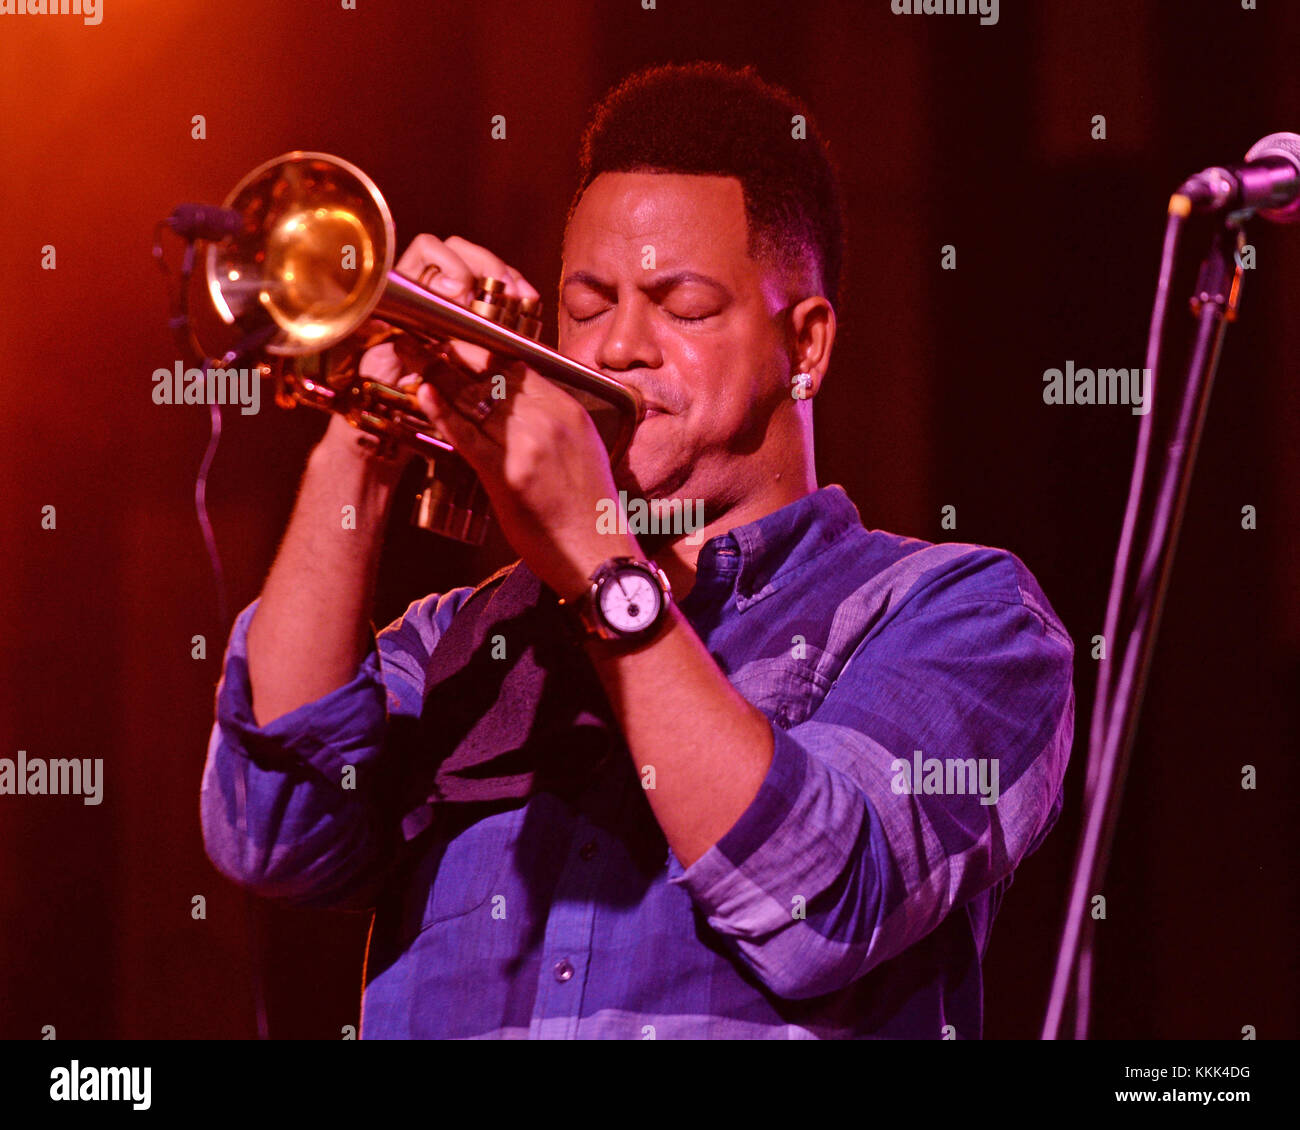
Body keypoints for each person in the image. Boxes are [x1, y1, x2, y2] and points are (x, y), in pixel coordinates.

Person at [200, 61, 1075, 1039]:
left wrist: (597, 558)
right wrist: (367, 429)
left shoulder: (961, 610)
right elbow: (271, 828)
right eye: (588, 304)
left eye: (682, 305)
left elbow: (824, 900)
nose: (617, 347)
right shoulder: (466, 632)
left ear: (808, 345)